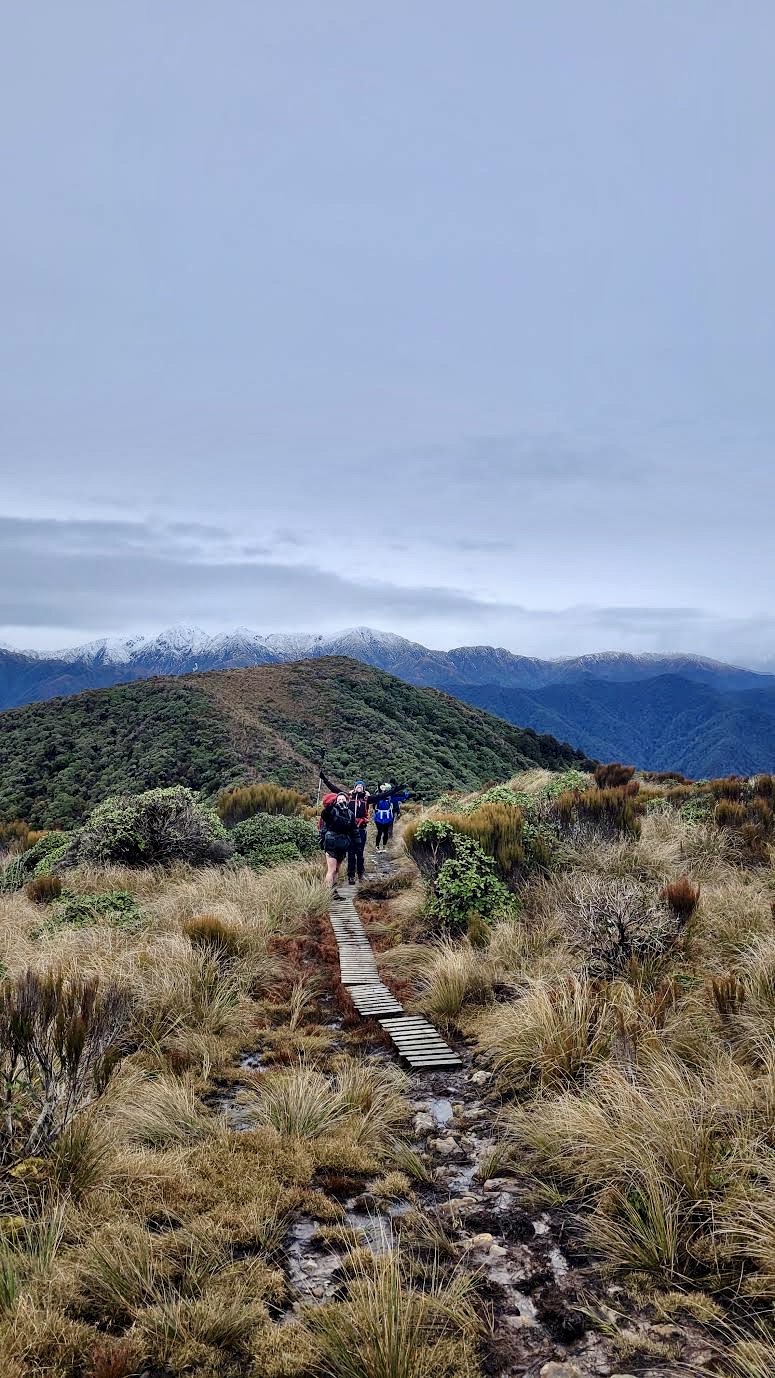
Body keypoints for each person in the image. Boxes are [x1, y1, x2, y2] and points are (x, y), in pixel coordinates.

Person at [319, 791, 358, 894]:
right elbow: (325, 815)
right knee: (331, 869)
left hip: (343, 843)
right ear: (335, 802)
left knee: (336, 869)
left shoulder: (350, 814)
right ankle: (327, 893)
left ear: (347, 801)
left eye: (343, 799)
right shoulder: (332, 811)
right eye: (339, 799)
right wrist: (329, 807)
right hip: (331, 842)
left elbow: (354, 829)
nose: (341, 801)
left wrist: (357, 843)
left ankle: (333, 892)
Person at [347, 780, 369, 884]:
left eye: (361, 786)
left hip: (361, 829)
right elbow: (335, 790)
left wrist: (395, 790)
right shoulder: (349, 797)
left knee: (360, 853)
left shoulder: (366, 799)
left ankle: (361, 874)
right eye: (357, 785)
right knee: (350, 853)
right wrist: (324, 780)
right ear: (354, 787)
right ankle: (351, 876)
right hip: (350, 830)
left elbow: (382, 795)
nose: (359, 787)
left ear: (364, 788)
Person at [373, 784, 395, 850]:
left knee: (385, 832)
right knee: (380, 832)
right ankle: (377, 846)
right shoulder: (378, 796)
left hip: (386, 817)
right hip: (380, 817)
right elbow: (374, 806)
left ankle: (383, 846)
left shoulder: (389, 797)